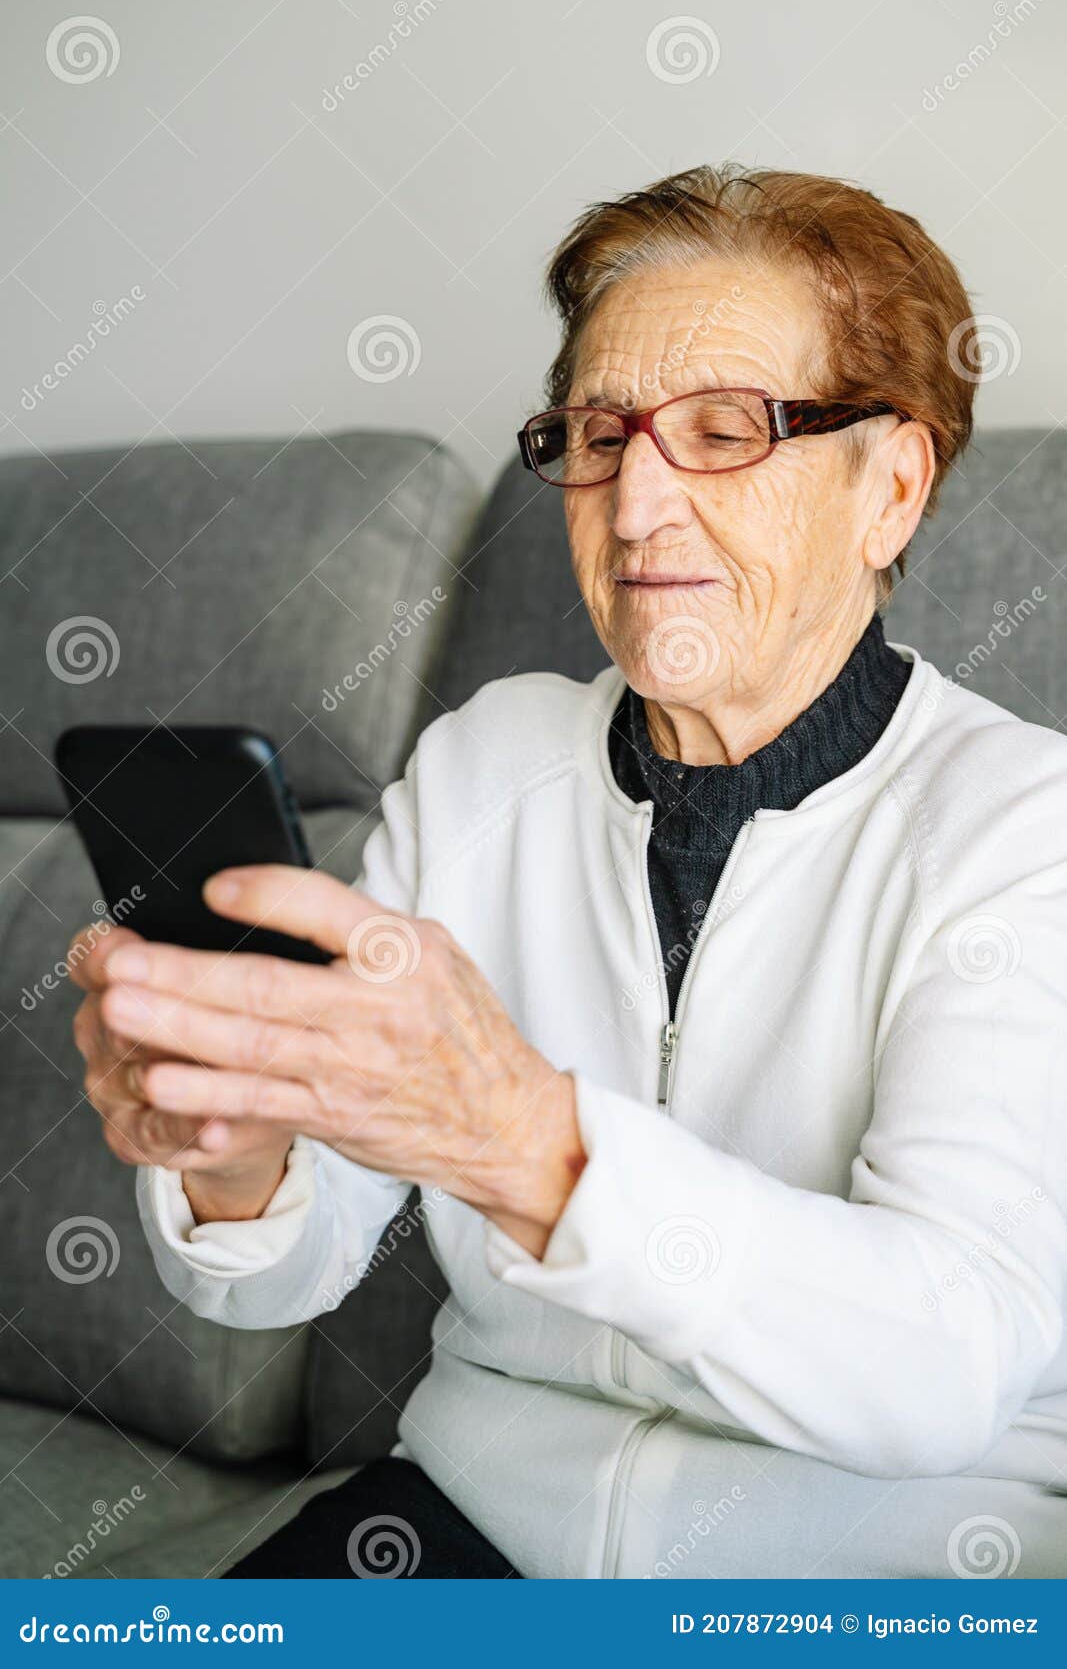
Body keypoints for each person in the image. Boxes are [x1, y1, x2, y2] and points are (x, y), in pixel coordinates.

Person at [70, 165, 1067, 1580]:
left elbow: (943, 1358)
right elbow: (288, 1268)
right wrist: (238, 1160)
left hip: (881, 1570)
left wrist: (523, 1139)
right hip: (472, 1522)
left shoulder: (1026, 827)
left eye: (724, 431)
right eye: (601, 434)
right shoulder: (489, 765)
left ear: (889, 486)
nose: (638, 499)